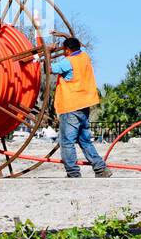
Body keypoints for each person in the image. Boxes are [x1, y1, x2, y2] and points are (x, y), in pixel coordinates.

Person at [43, 37, 111, 178]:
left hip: (70, 106)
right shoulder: (85, 57)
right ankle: (100, 168)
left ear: (67, 50)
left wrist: (48, 53)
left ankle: (73, 173)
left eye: (64, 50)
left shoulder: (68, 62)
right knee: (84, 140)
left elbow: (48, 69)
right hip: (84, 105)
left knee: (66, 141)